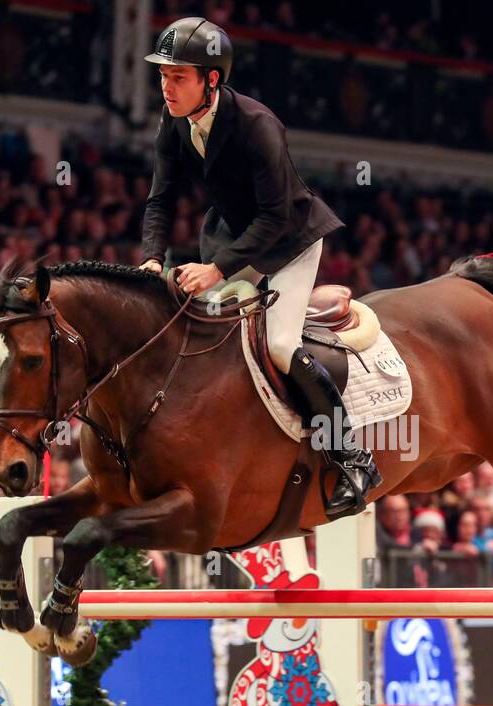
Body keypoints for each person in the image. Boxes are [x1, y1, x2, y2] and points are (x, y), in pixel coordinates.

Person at [139, 16, 379, 519]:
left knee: (279, 345)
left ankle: (352, 457)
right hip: (231, 236)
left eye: (178, 77)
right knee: (203, 336)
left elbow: (274, 216)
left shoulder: (256, 124)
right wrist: (151, 257)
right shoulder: (172, 121)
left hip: (287, 241)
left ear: (211, 80)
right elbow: (161, 199)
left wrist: (217, 271)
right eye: (163, 76)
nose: (166, 87)